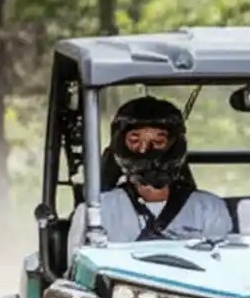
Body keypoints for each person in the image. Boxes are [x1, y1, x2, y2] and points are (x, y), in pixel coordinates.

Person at [68, 96, 233, 249]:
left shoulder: (209, 209)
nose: (145, 149)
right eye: (135, 140)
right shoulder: (94, 214)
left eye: (158, 141)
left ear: (173, 145)